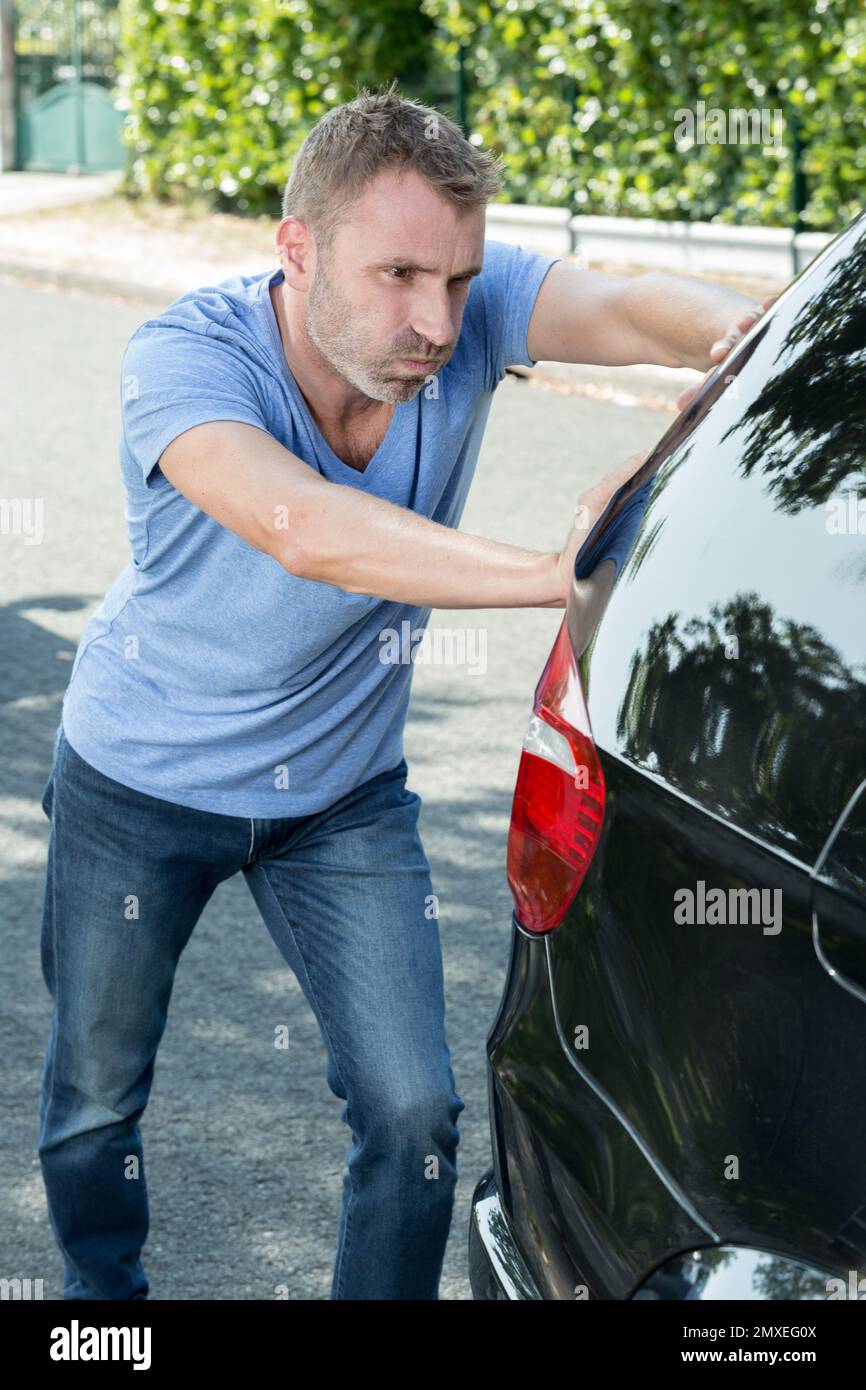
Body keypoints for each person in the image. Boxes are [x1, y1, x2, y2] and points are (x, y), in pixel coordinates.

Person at [36, 79, 770, 1301]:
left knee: (414, 1111)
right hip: (137, 780)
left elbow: (645, 307)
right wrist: (562, 575)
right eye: (397, 280)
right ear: (298, 247)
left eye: (458, 281)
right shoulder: (181, 355)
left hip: (339, 798)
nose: (436, 321)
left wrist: (757, 343)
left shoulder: (460, 303)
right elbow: (302, 527)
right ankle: (94, 1311)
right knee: (94, 1101)